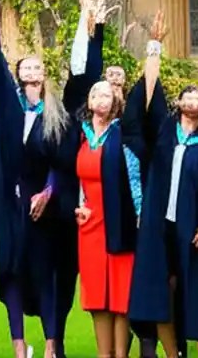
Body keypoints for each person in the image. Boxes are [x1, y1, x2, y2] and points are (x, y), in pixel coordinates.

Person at [0, 0, 107, 358]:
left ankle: (52, 344)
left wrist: (50, 191)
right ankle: (19, 345)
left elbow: (84, 79)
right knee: (12, 273)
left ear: (44, 75)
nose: (33, 71)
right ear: (19, 73)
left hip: (48, 211)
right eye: (27, 67)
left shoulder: (58, 112)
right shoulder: (7, 105)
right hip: (12, 205)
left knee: (50, 274)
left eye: (39, 67)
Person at [127, 13, 198, 358]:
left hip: (192, 227)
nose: (192, 99)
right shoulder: (163, 135)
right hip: (160, 226)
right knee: (161, 288)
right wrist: (154, 48)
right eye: (186, 95)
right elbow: (147, 95)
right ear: (177, 105)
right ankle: (171, 352)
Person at [71, 73, 140, 358]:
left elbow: (134, 177)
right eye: (95, 93)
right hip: (89, 223)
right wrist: (78, 205)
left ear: (115, 102)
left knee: (121, 292)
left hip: (120, 219)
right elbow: (77, 179)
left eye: (106, 94)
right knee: (97, 293)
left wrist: (140, 214)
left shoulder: (122, 133)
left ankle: (121, 353)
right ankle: (104, 354)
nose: (100, 98)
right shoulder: (81, 134)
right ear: (88, 101)